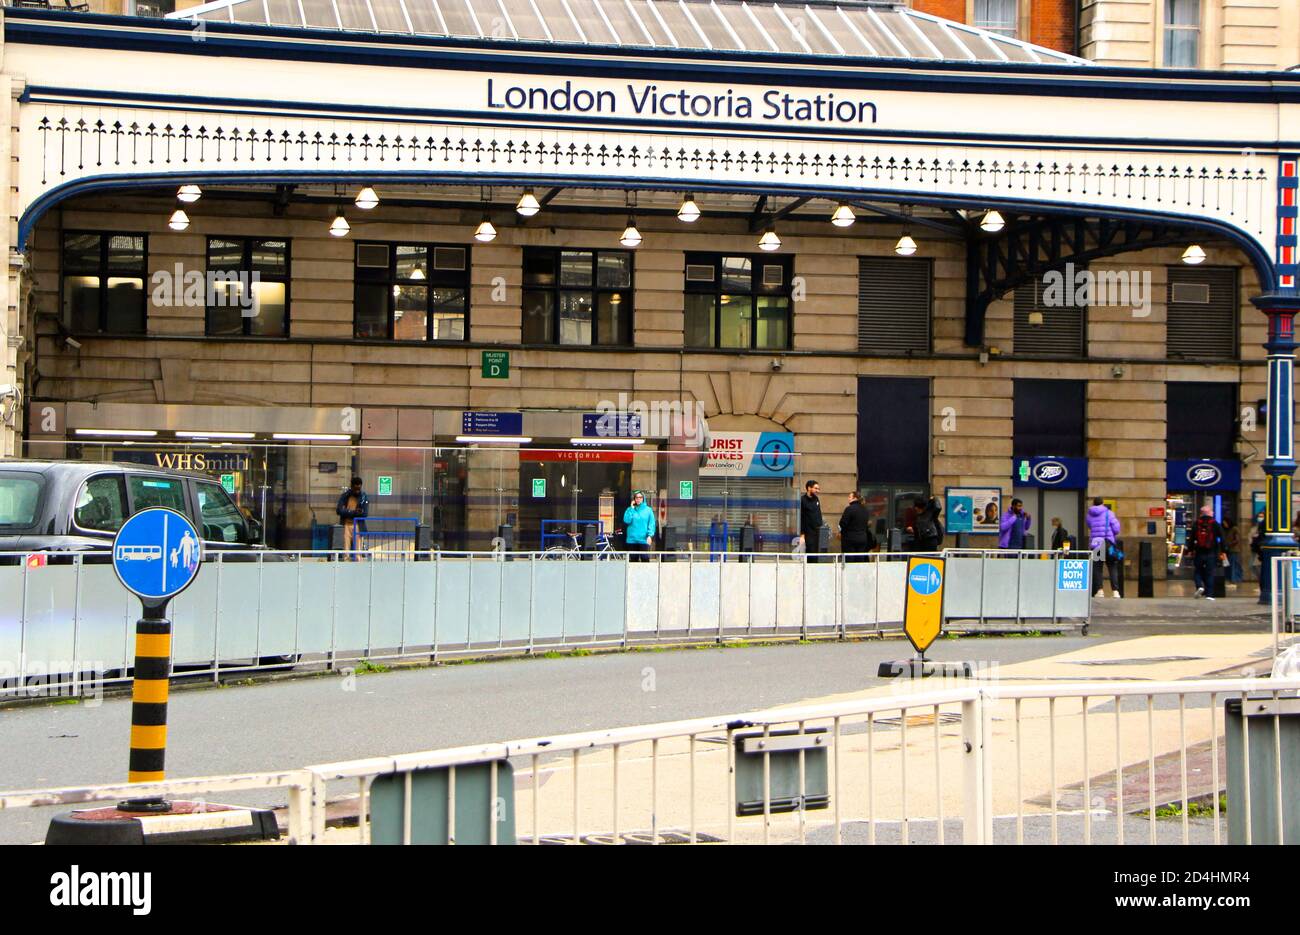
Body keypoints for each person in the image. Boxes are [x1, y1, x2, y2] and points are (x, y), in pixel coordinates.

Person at [1086, 497, 1122, 597]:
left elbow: (1090, 526)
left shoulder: (1089, 514)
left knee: (1097, 568)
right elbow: (1116, 528)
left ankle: (1100, 591)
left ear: (1093, 503)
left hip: (1096, 543)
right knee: (1112, 567)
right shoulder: (1109, 513)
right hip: (1108, 542)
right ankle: (1115, 591)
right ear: (1102, 503)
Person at [1189, 504, 1225, 600]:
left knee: (1198, 571)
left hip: (1199, 552)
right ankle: (1209, 594)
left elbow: (1191, 538)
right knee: (1210, 573)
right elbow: (1222, 537)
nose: (1213, 512)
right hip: (1211, 552)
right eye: (1212, 511)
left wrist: (1189, 550)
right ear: (1209, 513)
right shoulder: (1215, 523)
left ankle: (1199, 586)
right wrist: (1224, 550)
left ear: (1201, 513)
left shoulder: (1197, 523)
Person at [336, 475, 369, 559]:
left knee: (358, 550)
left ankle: (357, 563)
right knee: (346, 548)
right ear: (351, 487)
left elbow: (364, 513)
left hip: (358, 525)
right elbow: (339, 510)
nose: (357, 491)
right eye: (355, 489)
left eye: (359, 489)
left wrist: (347, 511)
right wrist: (354, 512)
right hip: (346, 524)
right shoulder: (345, 496)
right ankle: (346, 561)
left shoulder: (363, 497)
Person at [838, 491, 875, 562]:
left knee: (849, 561)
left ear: (855, 498)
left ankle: (850, 573)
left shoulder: (849, 509)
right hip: (862, 539)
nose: (848, 498)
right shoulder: (865, 510)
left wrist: (841, 532)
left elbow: (842, 524)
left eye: (849, 497)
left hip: (850, 539)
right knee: (859, 560)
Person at [623, 490, 656, 562]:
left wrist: (650, 535)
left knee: (644, 558)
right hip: (632, 539)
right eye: (636, 497)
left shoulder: (648, 510)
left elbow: (651, 524)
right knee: (633, 559)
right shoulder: (630, 509)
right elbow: (627, 521)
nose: (638, 499)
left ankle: (646, 573)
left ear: (643, 498)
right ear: (634, 499)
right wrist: (631, 508)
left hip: (643, 539)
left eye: (640, 497)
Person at [800, 480, 824, 560]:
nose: (818, 491)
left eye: (818, 489)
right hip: (808, 532)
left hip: (817, 531)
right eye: (816, 488)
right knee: (810, 552)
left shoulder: (816, 499)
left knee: (816, 553)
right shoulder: (802, 500)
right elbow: (801, 517)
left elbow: (818, 513)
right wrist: (802, 534)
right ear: (809, 488)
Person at [1222, 516, 1242, 584]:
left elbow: (1237, 539)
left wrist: (1229, 544)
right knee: (1228, 565)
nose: (1225, 525)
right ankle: (1229, 579)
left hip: (1234, 550)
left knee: (1234, 565)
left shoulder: (1234, 529)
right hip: (1227, 550)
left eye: (1225, 523)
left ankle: (1234, 580)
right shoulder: (1226, 530)